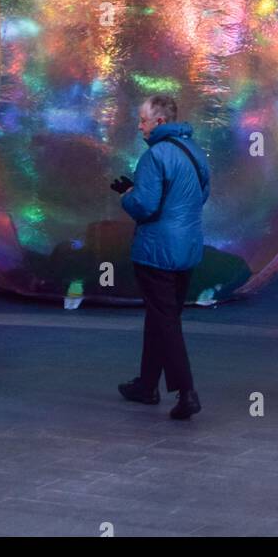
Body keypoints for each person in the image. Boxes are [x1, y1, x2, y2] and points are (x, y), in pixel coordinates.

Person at [111, 95, 210, 420]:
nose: (139, 125)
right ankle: (147, 385)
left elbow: (145, 206)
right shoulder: (195, 152)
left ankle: (186, 391)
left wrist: (127, 195)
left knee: (166, 321)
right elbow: (202, 194)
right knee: (161, 317)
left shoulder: (154, 157)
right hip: (188, 248)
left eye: (143, 120)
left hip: (156, 251)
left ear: (160, 122)